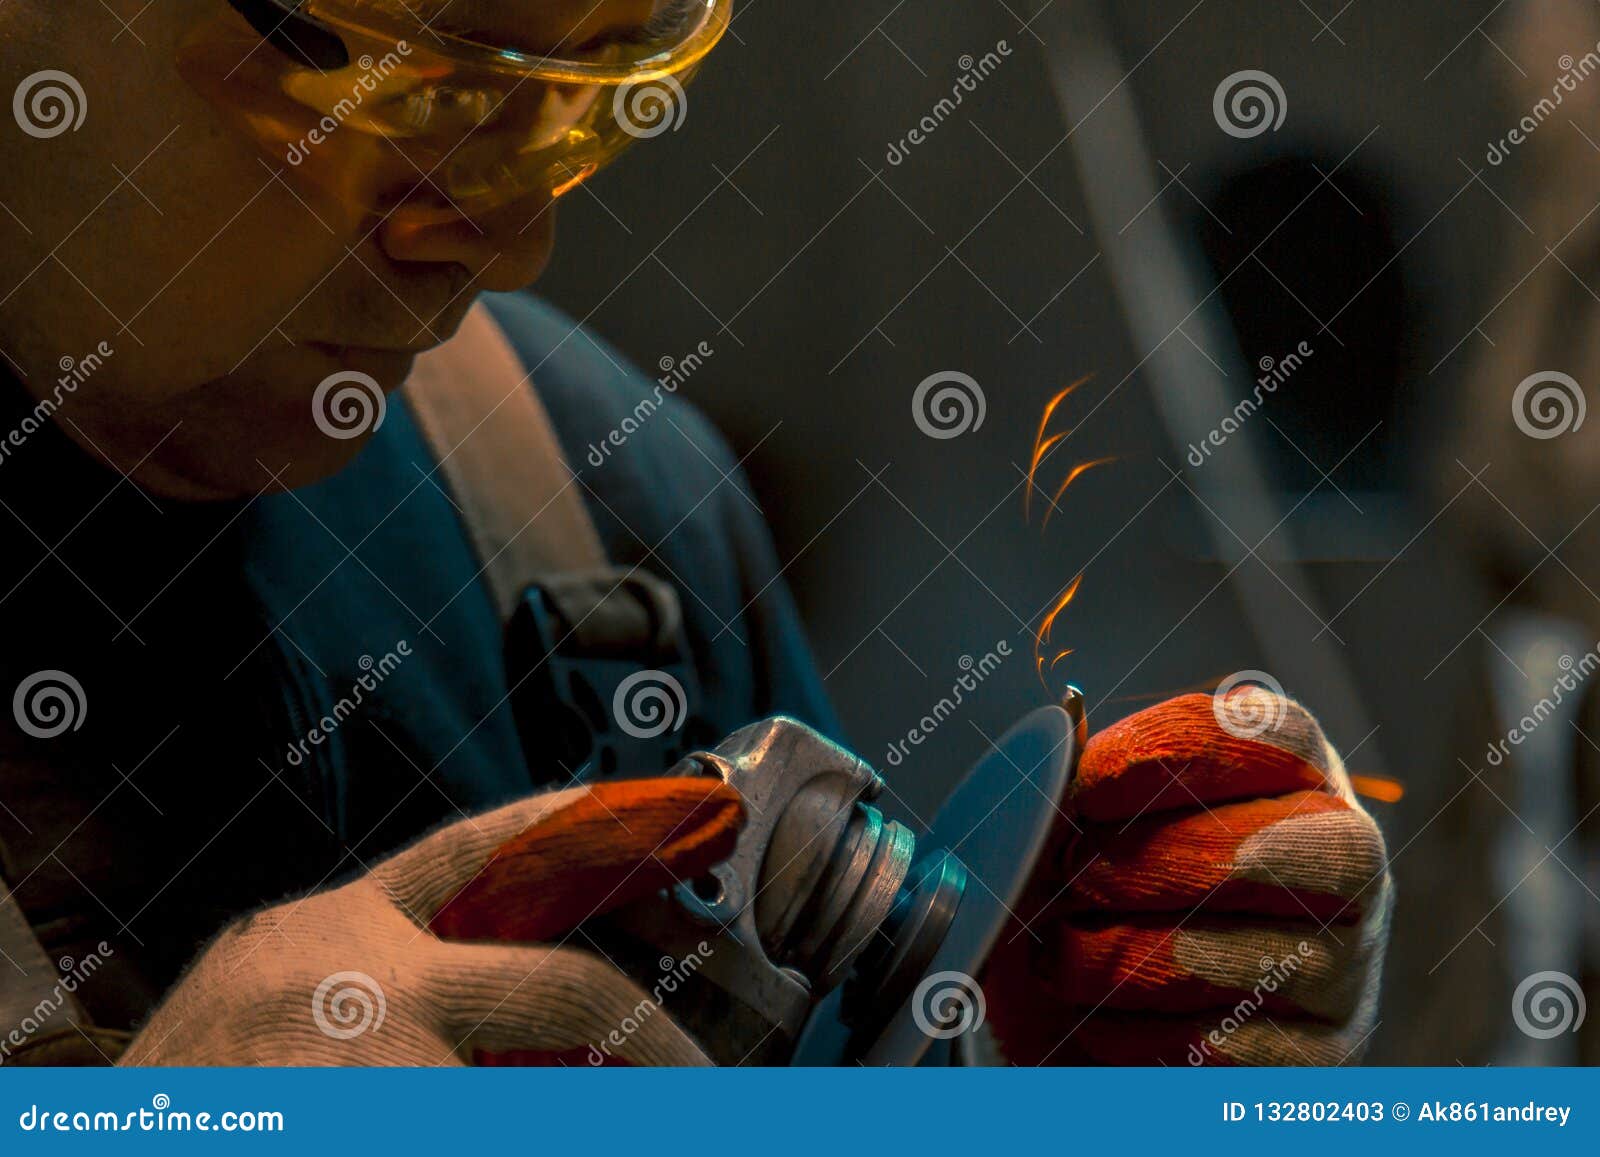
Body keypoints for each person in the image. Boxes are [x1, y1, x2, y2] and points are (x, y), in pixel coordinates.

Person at [0, 0, 1390, 1066]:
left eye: (579, 111)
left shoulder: (588, 510)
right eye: (415, 84)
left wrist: (1031, 1065)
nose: (503, 239)